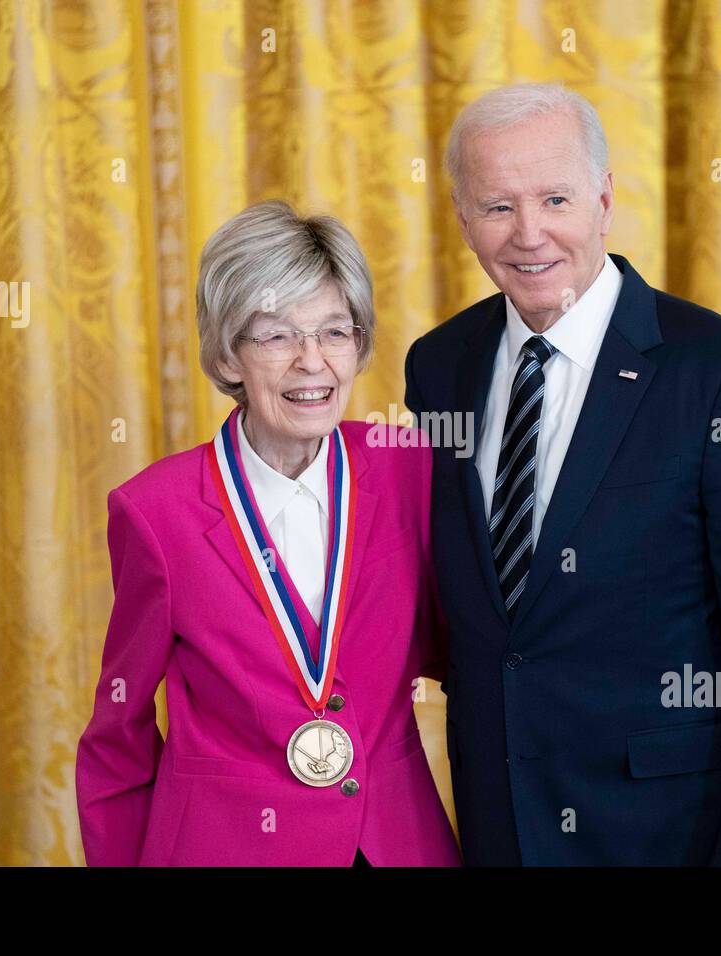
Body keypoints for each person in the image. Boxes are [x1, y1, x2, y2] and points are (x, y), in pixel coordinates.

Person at [404, 82, 721, 865]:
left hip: (671, 835)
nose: (529, 233)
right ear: (462, 216)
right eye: (497, 206)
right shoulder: (439, 365)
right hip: (500, 826)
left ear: (604, 198)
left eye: (556, 198)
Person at [77, 200, 460, 867]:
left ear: (360, 344)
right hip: (224, 847)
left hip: (393, 843)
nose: (312, 363)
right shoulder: (155, 512)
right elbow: (120, 733)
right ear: (229, 355)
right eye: (277, 336)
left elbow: (467, 651)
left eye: (335, 333)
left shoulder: (411, 467)